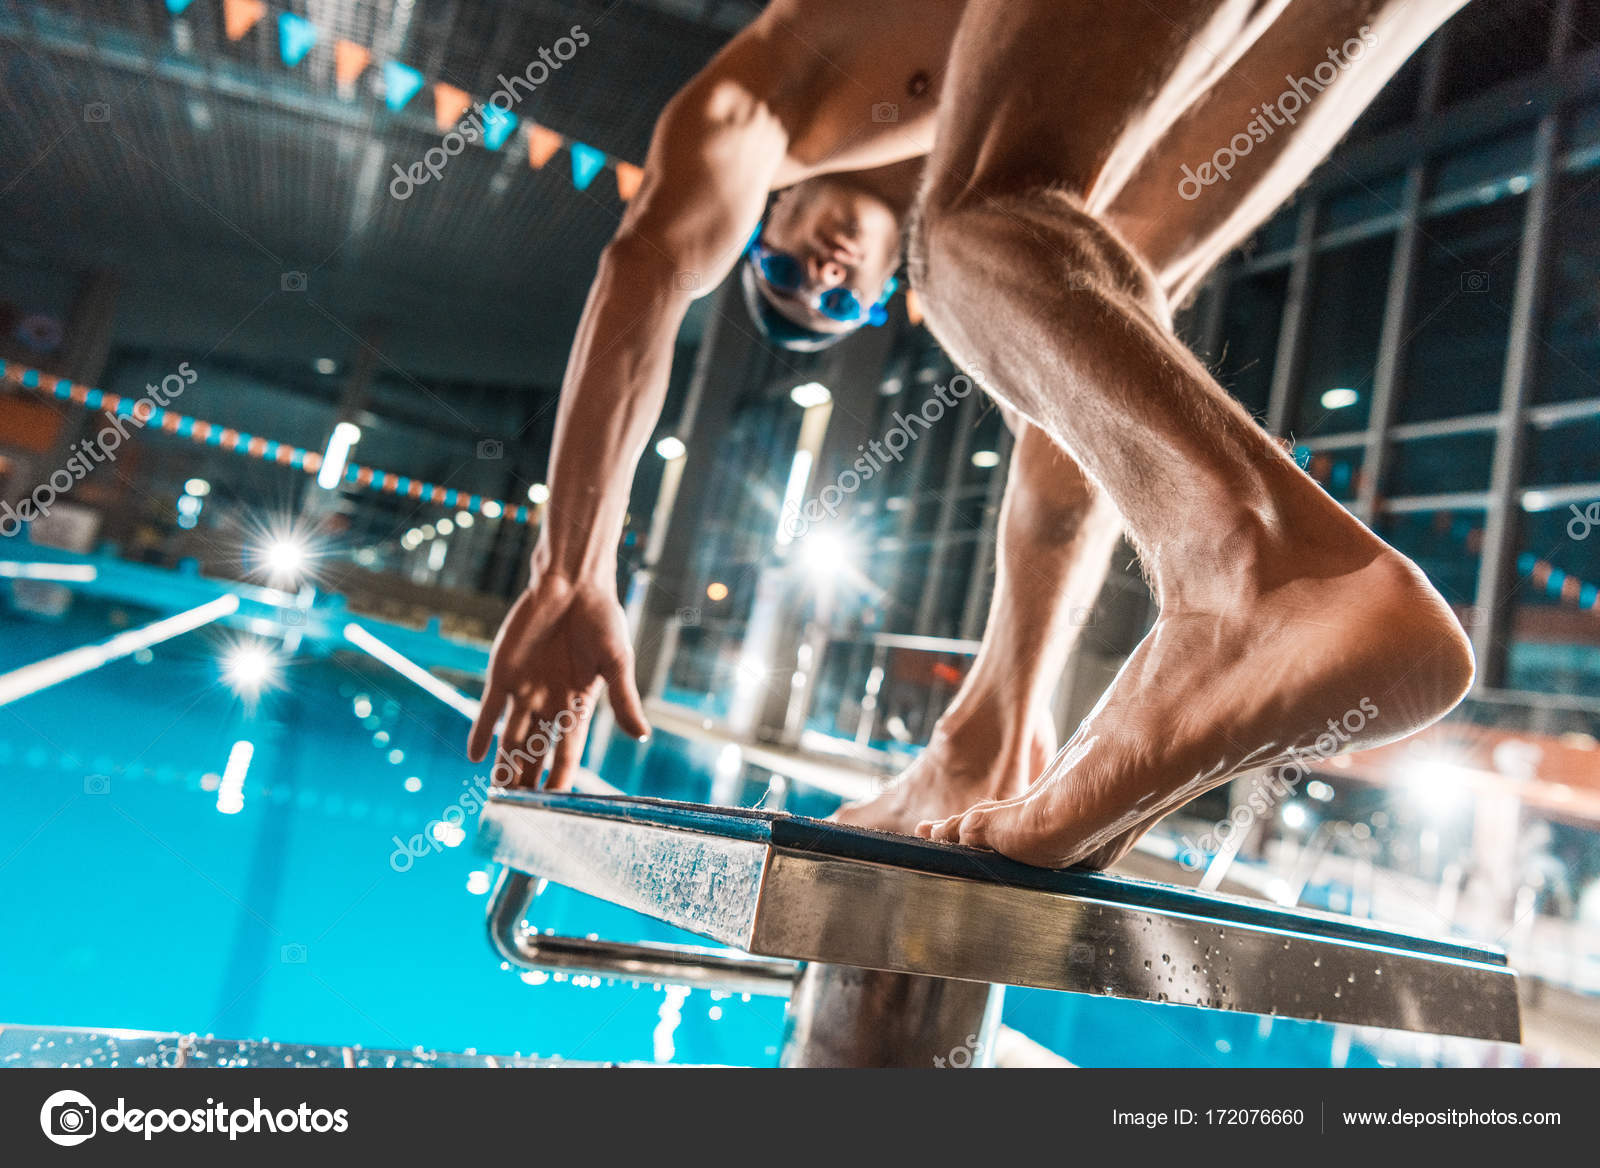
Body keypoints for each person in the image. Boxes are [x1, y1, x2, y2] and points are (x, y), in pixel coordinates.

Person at [469, 0, 1477, 870]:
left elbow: (645, 267)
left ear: (761, 224)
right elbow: (1084, 434)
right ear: (877, 299)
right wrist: (1003, 718)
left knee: (968, 231)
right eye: (834, 303)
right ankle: (994, 736)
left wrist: (570, 567)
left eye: (785, 273)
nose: (821, 274)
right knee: (1082, 310)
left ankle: (1273, 581)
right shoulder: (1060, 211)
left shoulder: (777, 97)